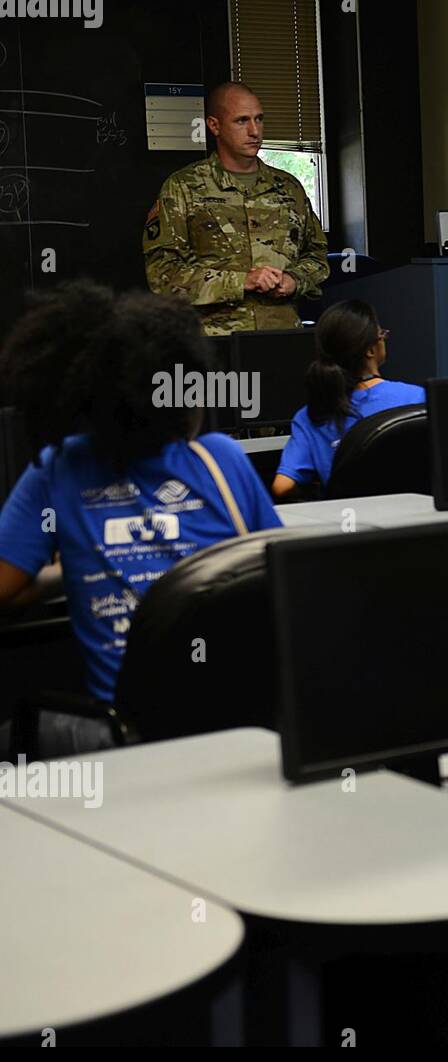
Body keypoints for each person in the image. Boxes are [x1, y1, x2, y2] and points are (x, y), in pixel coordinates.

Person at [0, 284, 283, 746]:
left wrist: (66, 573)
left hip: (127, 734)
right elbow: (279, 572)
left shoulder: (61, 468)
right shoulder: (223, 460)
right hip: (239, 726)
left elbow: (4, 589)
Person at [143, 81, 329, 335]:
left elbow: (318, 256)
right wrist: (242, 282)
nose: (254, 131)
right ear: (214, 125)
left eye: (259, 119)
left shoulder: (288, 188)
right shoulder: (183, 187)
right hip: (213, 343)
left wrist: (295, 280)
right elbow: (163, 275)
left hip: (281, 335)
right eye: (242, 121)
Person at [272, 300, 425, 498]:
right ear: (370, 350)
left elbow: (282, 487)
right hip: (412, 523)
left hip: (350, 523)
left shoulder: (311, 415)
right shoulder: (417, 397)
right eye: (382, 335)